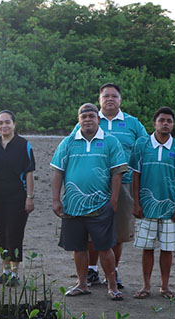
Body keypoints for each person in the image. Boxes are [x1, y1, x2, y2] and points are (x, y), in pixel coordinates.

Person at [50, 103, 129, 301]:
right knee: (78, 247)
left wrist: (113, 201)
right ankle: (82, 284)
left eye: (91, 116)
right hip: (72, 206)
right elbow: (57, 172)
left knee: (104, 247)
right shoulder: (68, 142)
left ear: (98, 119)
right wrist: (55, 200)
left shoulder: (110, 142)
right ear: (78, 120)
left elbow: (117, 173)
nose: (87, 120)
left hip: (101, 205)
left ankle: (112, 286)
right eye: (83, 116)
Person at [73, 83, 148, 290]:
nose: (110, 99)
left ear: (120, 100)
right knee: (91, 230)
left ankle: (112, 272)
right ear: (99, 100)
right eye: (106, 96)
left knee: (117, 232)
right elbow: (73, 147)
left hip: (124, 185)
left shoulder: (133, 124)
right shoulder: (89, 120)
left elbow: (145, 151)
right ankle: (91, 270)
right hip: (93, 187)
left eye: (114, 96)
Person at [130, 106, 175, 300]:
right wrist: (136, 203)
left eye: (169, 121)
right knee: (147, 248)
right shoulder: (142, 144)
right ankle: (146, 286)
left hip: (170, 207)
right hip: (146, 207)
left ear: (173, 125)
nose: (165, 124)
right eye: (162, 120)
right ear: (154, 123)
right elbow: (135, 176)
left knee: (167, 249)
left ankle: (165, 287)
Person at [0, 110, 35, 287]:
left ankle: (15, 274)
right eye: (1, 123)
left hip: (17, 198)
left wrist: (29, 197)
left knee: (14, 234)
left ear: (14, 124)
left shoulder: (24, 145)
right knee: (1, 234)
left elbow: (29, 173)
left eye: (7, 122)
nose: (4, 126)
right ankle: (5, 272)